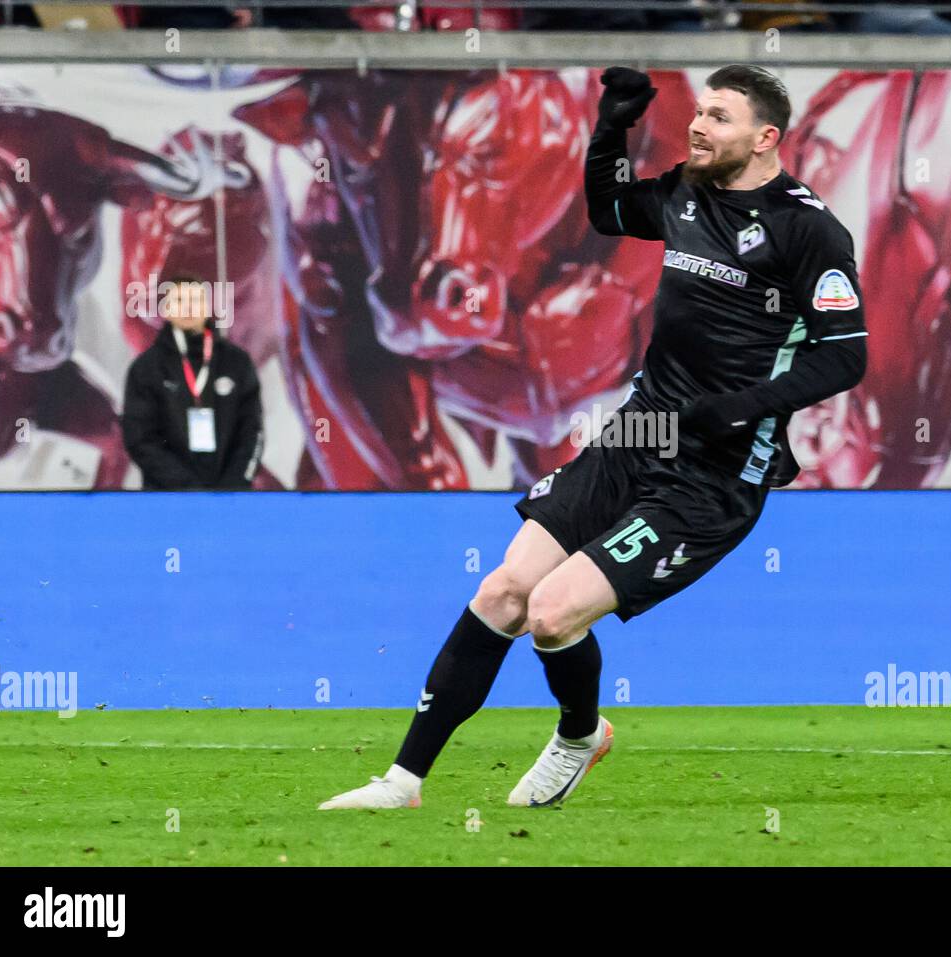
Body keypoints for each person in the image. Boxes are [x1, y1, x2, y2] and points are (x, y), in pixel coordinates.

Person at [321, 64, 867, 810]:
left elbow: (846, 353)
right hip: (637, 431)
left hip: (716, 473)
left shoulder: (809, 229)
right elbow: (610, 208)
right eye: (698, 111)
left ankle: (579, 734)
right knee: (506, 589)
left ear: (767, 137)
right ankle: (402, 781)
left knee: (552, 612)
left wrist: (741, 406)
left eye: (720, 117)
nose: (699, 125)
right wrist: (612, 125)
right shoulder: (684, 191)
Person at [122, 274, 263, 490]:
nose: (188, 308)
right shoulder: (147, 368)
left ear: (207, 307)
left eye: (195, 301)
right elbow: (140, 439)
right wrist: (187, 487)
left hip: (228, 500)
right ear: (166, 309)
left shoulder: (236, 362)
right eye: (179, 301)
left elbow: (252, 432)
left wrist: (231, 487)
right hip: (168, 499)